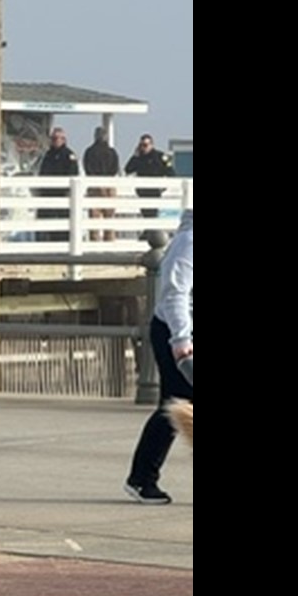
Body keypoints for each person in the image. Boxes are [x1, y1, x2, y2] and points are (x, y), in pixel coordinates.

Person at [124, 209, 192, 505]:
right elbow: (175, 293)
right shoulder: (189, 241)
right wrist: (181, 340)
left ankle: (141, 478)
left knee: (174, 404)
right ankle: (141, 479)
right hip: (175, 333)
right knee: (178, 401)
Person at [35, 126, 79, 241]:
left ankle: (62, 244)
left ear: (64, 140)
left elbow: (73, 173)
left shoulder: (69, 155)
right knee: (45, 222)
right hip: (48, 195)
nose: (55, 141)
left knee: (62, 224)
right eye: (53, 138)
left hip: (62, 195)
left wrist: (65, 191)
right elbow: (43, 172)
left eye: (58, 138)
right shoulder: (48, 155)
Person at [123, 134, 175, 218]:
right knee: (145, 215)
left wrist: (164, 186)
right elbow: (128, 169)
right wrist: (135, 155)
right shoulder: (138, 158)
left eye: (145, 145)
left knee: (153, 214)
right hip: (142, 192)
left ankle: (152, 231)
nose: (143, 148)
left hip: (155, 191)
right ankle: (149, 231)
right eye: (141, 145)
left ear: (151, 145)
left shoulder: (160, 156)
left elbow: (171, 173)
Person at [82, 126, 120, 241]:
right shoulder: (112, 152)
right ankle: (109, 241)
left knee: (94, 217)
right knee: (109, 217)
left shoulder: (89, 151)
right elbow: (115, 169)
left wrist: (95, 178)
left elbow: (87, 167)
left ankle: (95, 242)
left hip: (94, 186)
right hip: (109, 186)